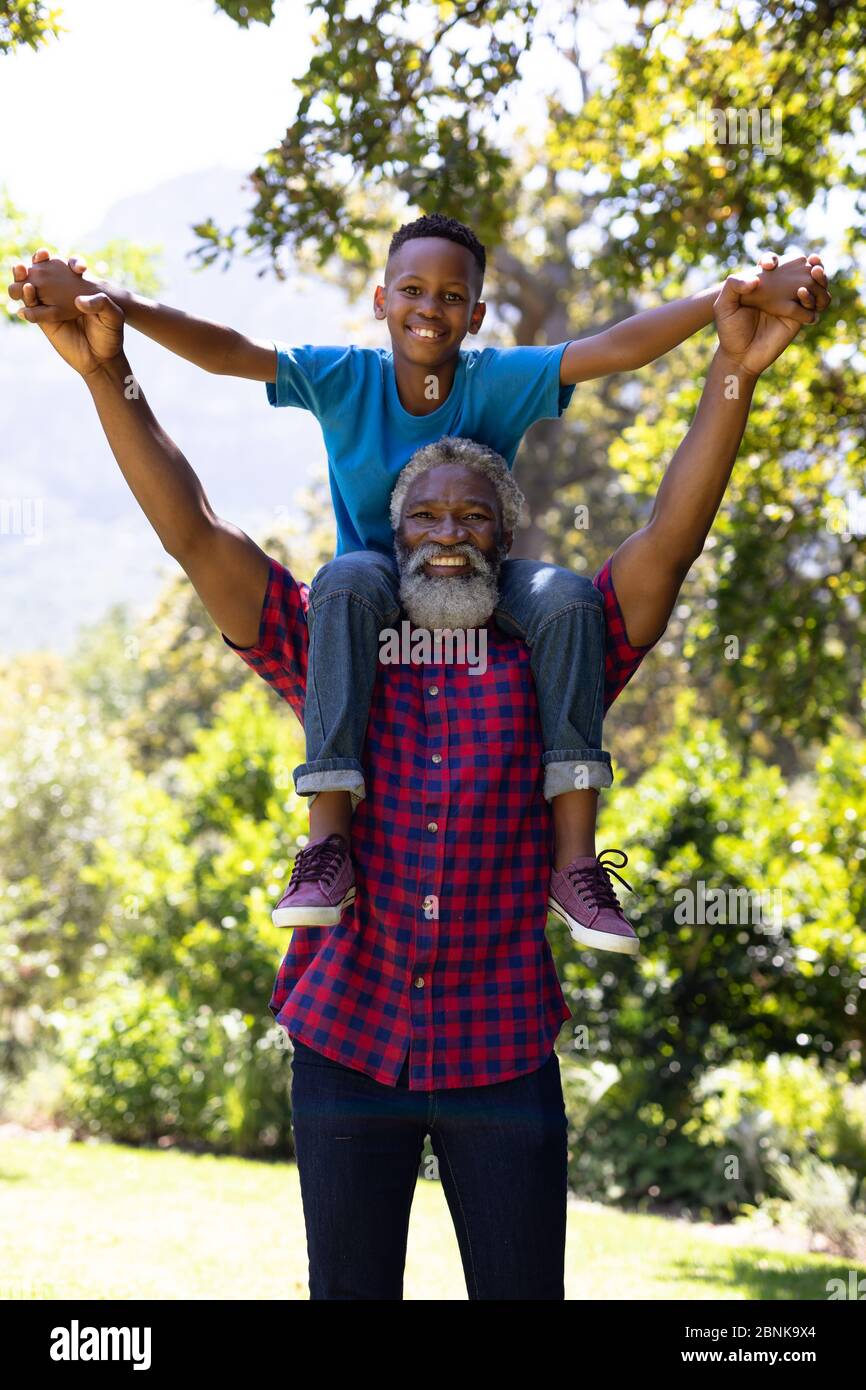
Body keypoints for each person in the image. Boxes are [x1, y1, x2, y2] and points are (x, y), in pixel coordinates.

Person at [13, 262, 827, 1297]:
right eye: (425, 521)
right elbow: (194, 532)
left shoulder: (552, 655)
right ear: (389, 542)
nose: (449, 536)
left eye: (475, 520)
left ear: (507, 539)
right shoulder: (328, 650)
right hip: (346, 1047)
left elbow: (667, 544)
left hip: (502, 1051)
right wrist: (109, 376)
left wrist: (732, 374)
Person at [9, 227, 829, 951]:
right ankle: (325, 842)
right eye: (410, 290)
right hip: (364, 596)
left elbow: (615, 348)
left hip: (488, 595)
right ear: (379, 300)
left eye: (451, 296)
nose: (428, 308)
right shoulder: (344, 379)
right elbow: (227, 353)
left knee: (572, 597)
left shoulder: (493, 380)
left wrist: (731, 304)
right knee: (347, 578)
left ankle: (574, 859)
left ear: (476, 315)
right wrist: (111, 305)